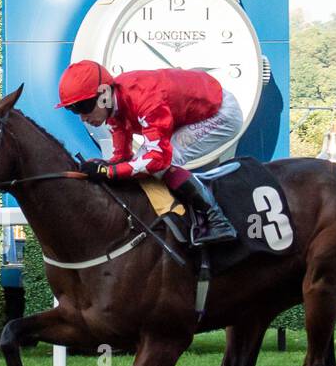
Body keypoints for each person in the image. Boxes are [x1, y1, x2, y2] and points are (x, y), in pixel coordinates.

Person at [56, 60, 242, 245]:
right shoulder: (113, 105)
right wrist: (103, 166)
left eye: (84, 107)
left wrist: (108, 172)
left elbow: (157, 160)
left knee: (165, 159)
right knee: (137, 163)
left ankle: (217, 220)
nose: (83, 118)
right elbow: (122, 157)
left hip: (220, 112)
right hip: (191, 110)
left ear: (104, 93)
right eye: (74, 110)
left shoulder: (145, 99)